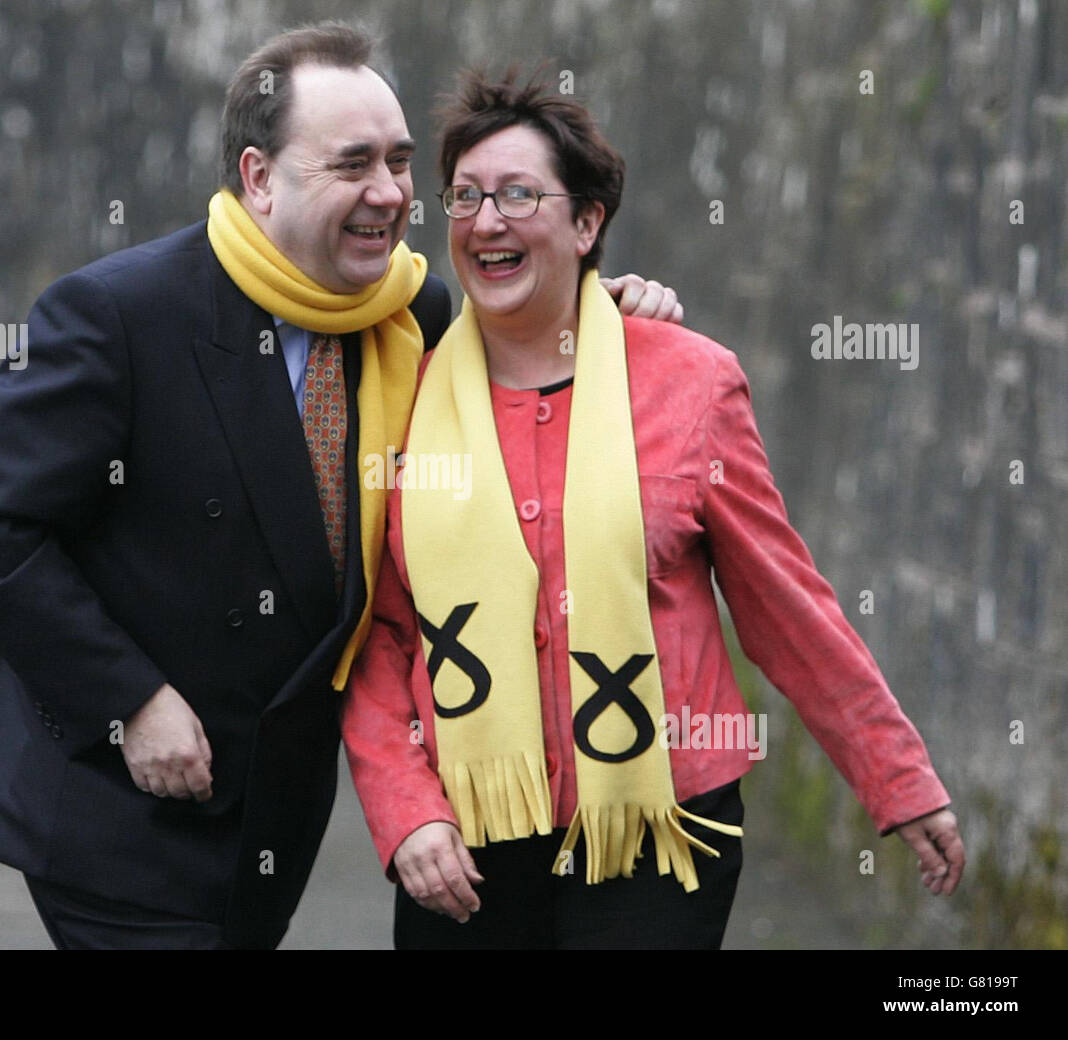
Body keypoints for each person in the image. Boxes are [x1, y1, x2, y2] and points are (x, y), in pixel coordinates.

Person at [0, 23, 682, 950]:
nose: (389, 194)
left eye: (399, 162)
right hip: (115, 808)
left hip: (269, 817)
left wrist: (602, 314)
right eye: (353, 165)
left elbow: (513, 363)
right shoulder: (120, 314)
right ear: (260, 177)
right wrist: (130, 698)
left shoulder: (411, 312)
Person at [340, 70, 966, 950]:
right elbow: (379, 635)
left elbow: (786, 606)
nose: (486, 221)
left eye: (519, 194)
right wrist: (404, 811)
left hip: (663, 834)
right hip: (467, 838)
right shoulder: (404, 391)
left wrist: (899, 781)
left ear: (587, 222)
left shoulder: (690, 381)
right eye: (466, 197)